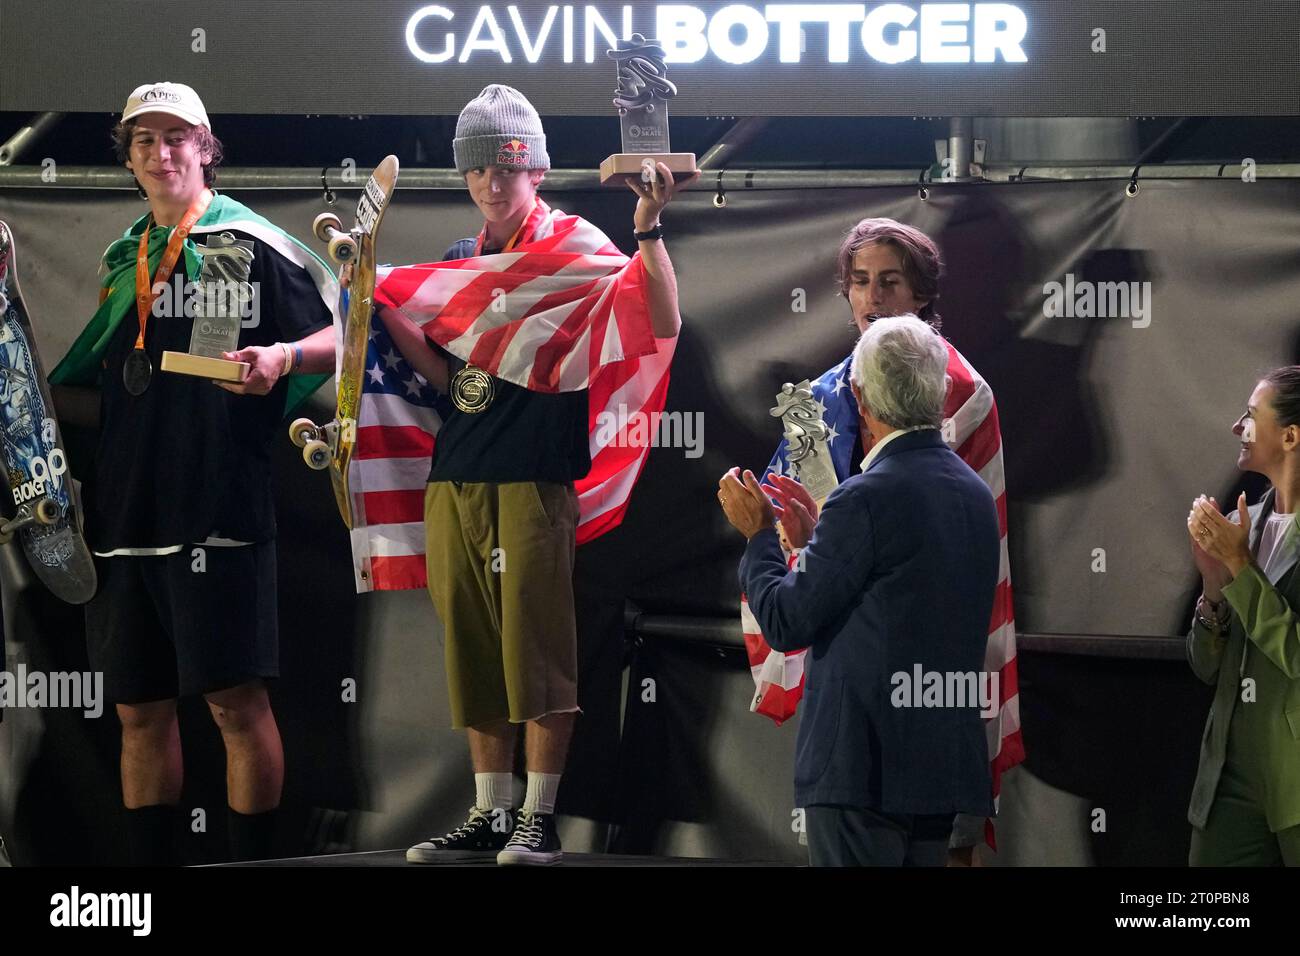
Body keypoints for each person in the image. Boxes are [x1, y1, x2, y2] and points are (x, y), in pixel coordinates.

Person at [372, 85, 693, 866]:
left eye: (507, 167)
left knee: (536, 649)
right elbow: (450, 382)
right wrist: (382, 307)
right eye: (478, 169)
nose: (492, 183)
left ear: (537, 170)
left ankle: (539, 817)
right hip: (456, 479)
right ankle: (491, 811)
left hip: (536, 480)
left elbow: (663, 320)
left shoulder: (577, 251)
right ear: (463, 177)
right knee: (475, 649)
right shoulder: (456, 265)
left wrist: (648, 230)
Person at [49, 82, 338, 864]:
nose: (161, 152)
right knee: (138, 713)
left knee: (235, 707)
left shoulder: (250, 243)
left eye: (177, 137)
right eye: (145, 140)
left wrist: (281, 356)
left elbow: (349, 337)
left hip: (220, 507)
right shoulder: (125, 257)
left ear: (205, 148)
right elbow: (97, 382)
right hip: (123, 511)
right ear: (130, 155)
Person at [743, 217, 1020, 863]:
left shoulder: (963, 394)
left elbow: (938, 552)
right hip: (885, 707)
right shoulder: (812, 405)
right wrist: (807, 544)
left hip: (879, 726)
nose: (872, 297)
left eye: (889, 282)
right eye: (860, 282)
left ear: (921, 293)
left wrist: (762, 536)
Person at [1186, 367, 1300, 866]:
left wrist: (1238, 566)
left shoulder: (1239, 545)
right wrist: (1213, 586)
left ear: (1291, 436)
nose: (1238, 426)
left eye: (1252, 416)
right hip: (1226, 777)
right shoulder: (1242, 526)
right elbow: (1207, 667)